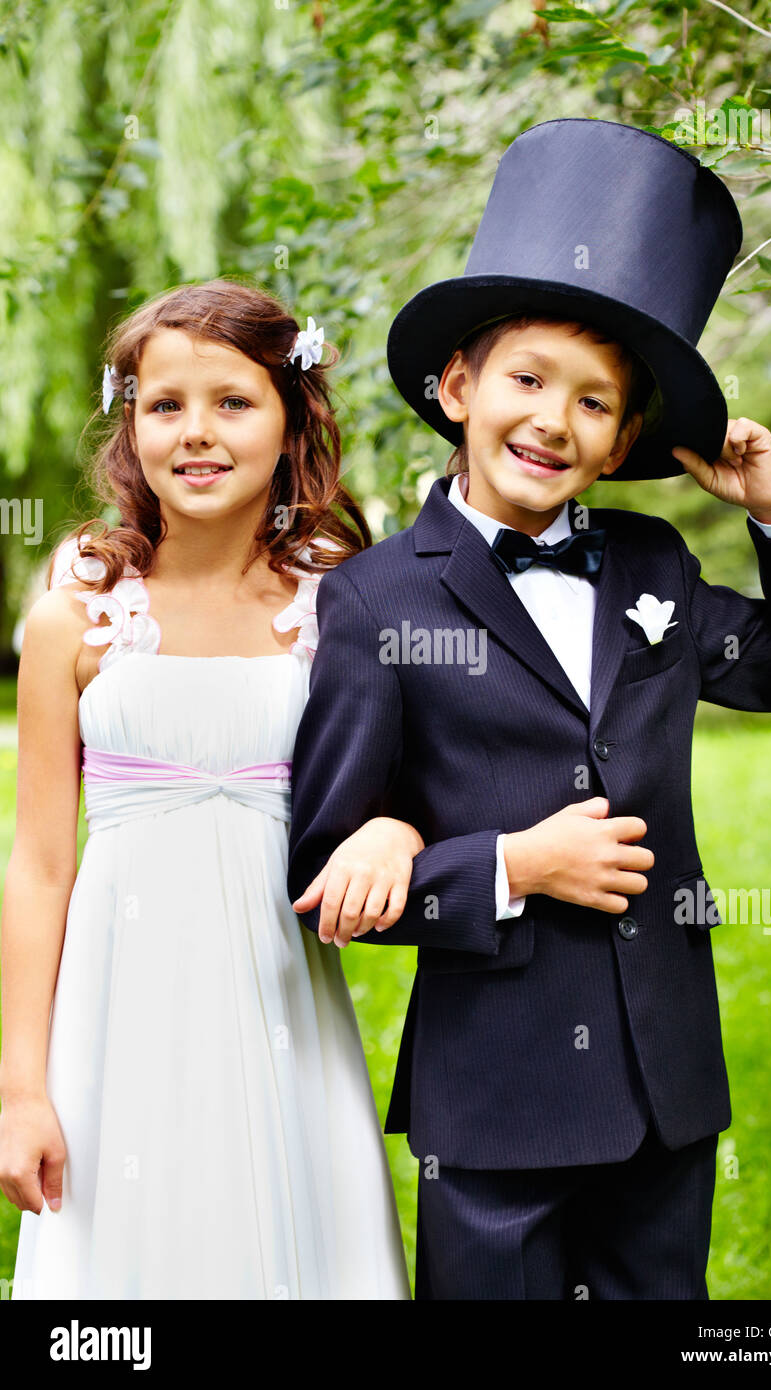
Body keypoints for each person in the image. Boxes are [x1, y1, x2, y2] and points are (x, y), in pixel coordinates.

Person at [286, 119, 771, 1300]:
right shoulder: (373, 597)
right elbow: (323, 874)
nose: (554, 418)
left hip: (663, 1078)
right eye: (527, 380)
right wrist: (512, 863)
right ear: (455, 387)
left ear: (621, 444)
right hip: (494, 1100)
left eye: (595, 403)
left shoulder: (651, 566)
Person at [0, 278, 413, 1299]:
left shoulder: (343, 616)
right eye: (164, 404)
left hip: (278, 997)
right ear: (130, 424)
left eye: (232, 402)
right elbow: (42, 867)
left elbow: (410, 789)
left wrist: (396, 832)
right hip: (118, 1009)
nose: (196, 432)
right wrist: (19, 1089)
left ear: (290, 421)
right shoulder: (77, 623)